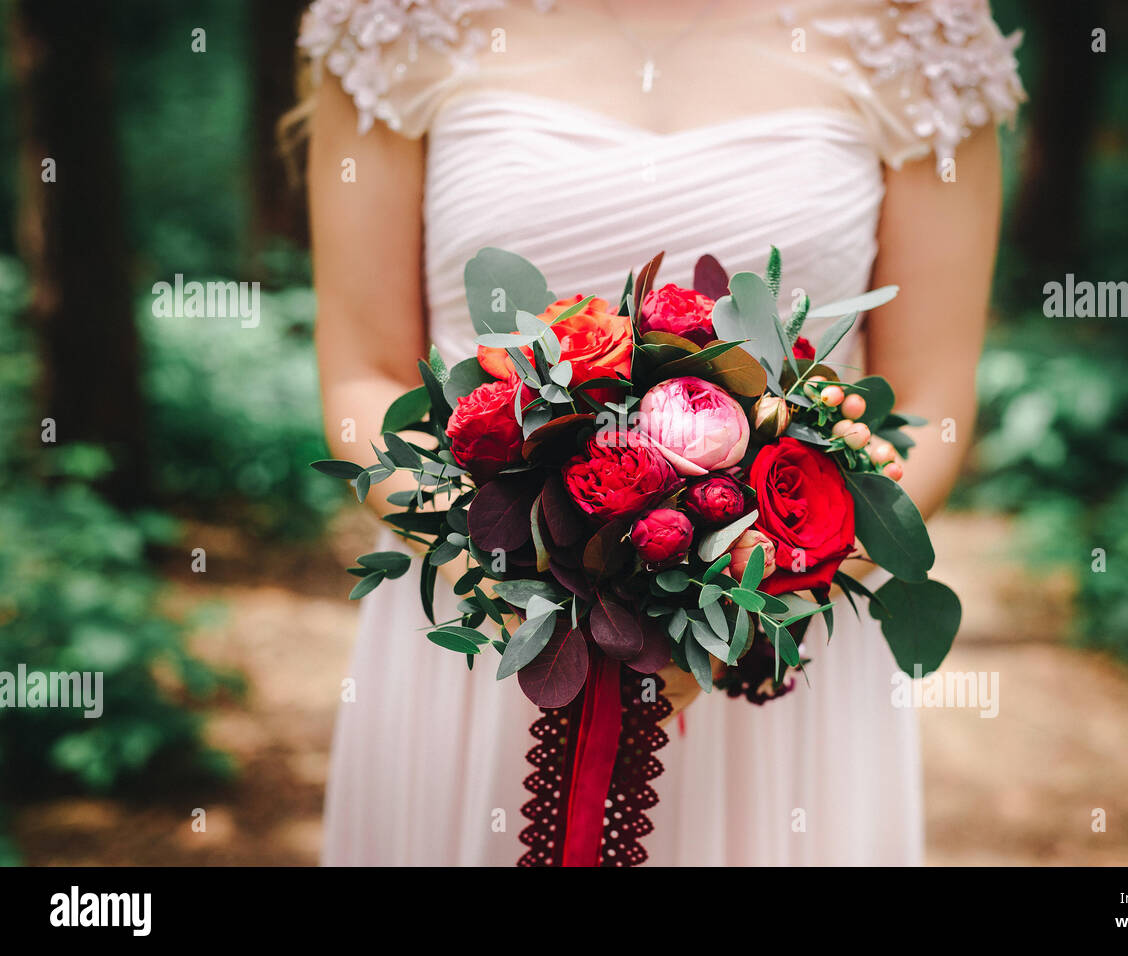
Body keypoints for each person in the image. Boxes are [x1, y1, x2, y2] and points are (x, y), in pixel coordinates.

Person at [301, 0, 1024, 865]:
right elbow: (364, 374)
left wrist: (743, 613)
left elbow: (932, 405)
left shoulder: (924, 35)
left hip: (777, 641)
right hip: (484, 628)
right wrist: (529, 594)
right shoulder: (394, 21)